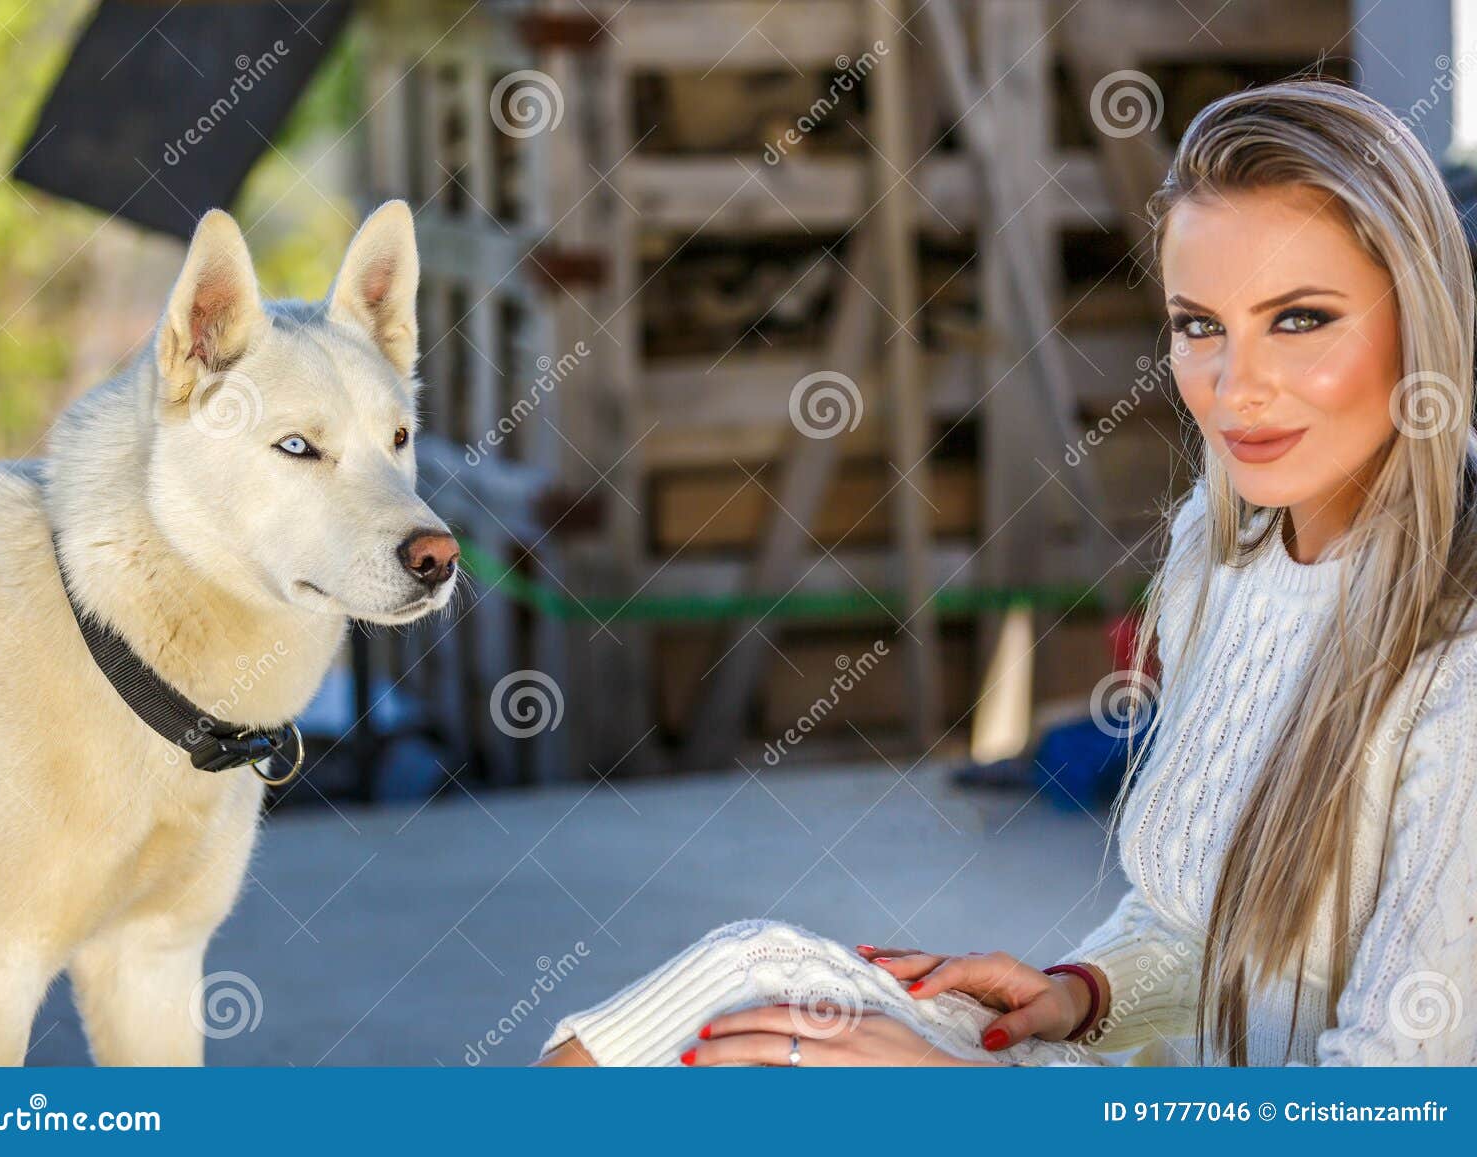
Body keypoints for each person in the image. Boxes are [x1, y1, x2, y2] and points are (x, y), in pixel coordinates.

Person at [534, 77, 1477, 1068]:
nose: (1235, 387)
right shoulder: (1224, 552)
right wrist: (1082, 992)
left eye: (1299, 319)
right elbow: (1204, 933)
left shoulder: (1457, 666)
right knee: (747, 981)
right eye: (1200, 325)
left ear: (1420, 319)